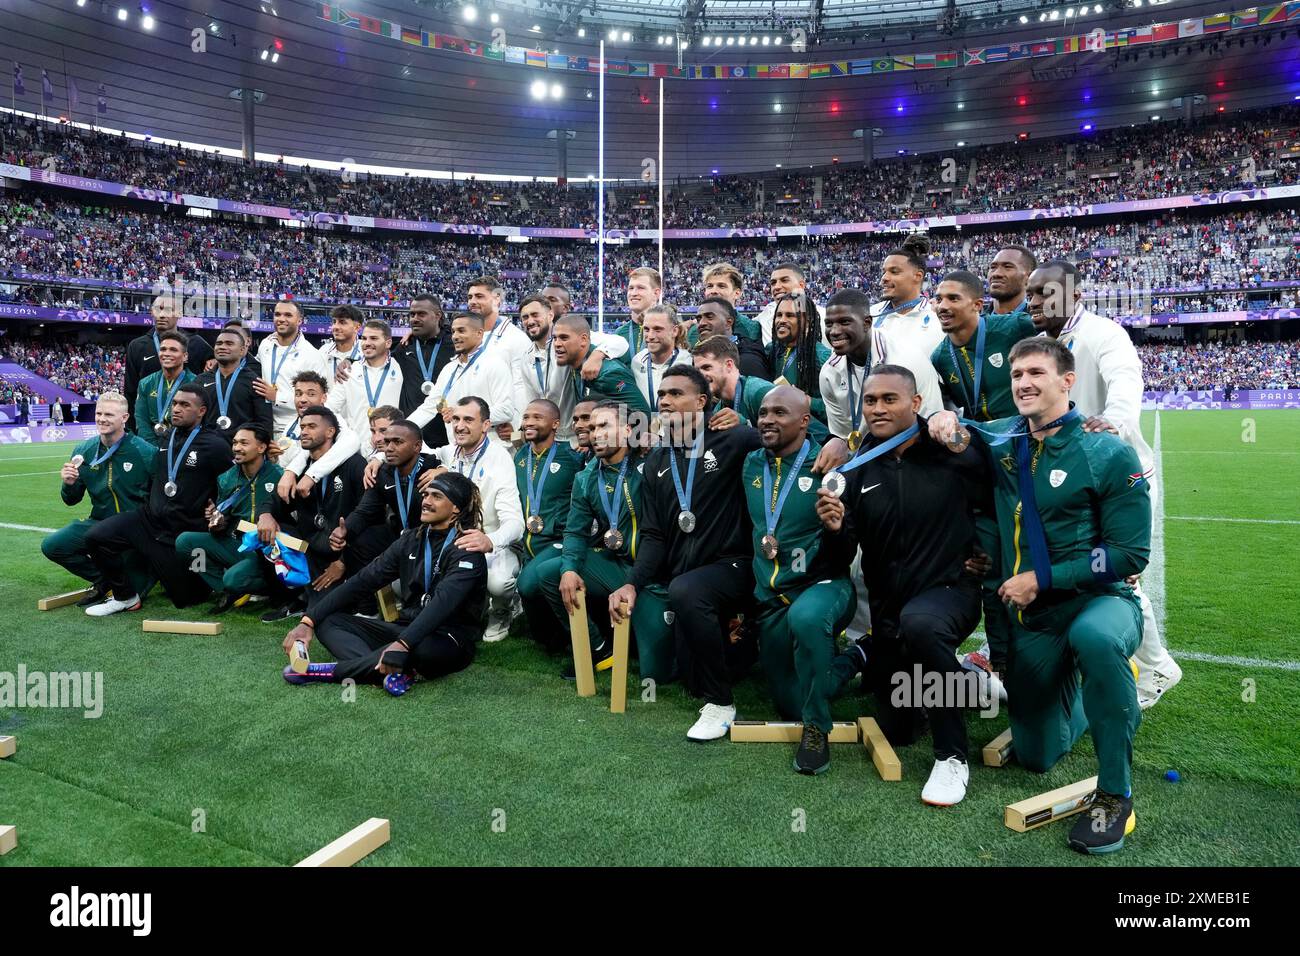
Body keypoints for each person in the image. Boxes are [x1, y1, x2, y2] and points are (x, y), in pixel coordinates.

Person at [929, 337, 1151, 854]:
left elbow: (1128, 555)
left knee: (1096, 640)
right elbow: (955, 434)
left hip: (1101, 602)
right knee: (1034, 754)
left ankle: (1115, 794)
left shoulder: (1107, 451)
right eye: (1016, 375)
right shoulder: (1003, 441)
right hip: (1037, 621)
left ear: (1066, 381)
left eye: (1036, 374)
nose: (1023, 383)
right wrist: (941, 420)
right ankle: (1107, 699)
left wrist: (1042, 578)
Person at [817, 367, 988, 802]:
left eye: (890, 399)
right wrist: (836, 529)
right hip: (891, 616)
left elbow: (997, 497)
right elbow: (839, 560)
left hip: (950, 594)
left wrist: (988, 553)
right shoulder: (856, 468)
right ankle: (964, 682)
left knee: (924, 627)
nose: (877, 408)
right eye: (870, 401)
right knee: (899, 729)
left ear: (915, 403)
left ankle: (952, 757)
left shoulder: (948, 448)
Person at [1028, 260, 1180, 709]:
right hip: (1067, 481)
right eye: (1032, 294)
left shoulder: (1103, 333)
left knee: (1115, 574)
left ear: (1074, 294)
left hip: (1114, 479)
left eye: (1044, 294)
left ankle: (1156, 667)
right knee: (1077, 570)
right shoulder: (1042, 344)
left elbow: (1125, 382)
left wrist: (1112, 421)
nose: (1034, 302)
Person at [611, 365, 762, 741]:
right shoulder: (657, 462)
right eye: (662, 394)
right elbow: (653, 535)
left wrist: (748, 420)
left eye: (676, 394)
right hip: (685, 575)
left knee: (688, 592)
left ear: (702, 401)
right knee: (685, 677)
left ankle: (721, 704)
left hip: (734, 564)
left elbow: (789, 437)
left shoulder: (735, 439)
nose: (665, 400)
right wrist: (632, 584)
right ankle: (726, 661)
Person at [280, 473, 488, 697]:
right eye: (426, 494)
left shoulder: (468, 549)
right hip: (404, 628)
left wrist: (403, 644)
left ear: (456, 508)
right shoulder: (411, 539)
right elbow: (364, 580)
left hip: (447, 637)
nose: (426, 501)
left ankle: (329, 671)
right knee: (328, 621)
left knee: (422, 651)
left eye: (436, 496)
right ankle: (385, 670)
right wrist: (308, 621)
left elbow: (442, 604)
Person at [744, 385, 854, 775]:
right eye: (763, 413)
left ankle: (816, 729)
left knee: (806, 620)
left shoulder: (830, 467)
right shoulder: (750, 463)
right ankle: (852, 661)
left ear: (806, 421)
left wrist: (841, 440)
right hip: (771, 596)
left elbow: (846, 548)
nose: (768, 420)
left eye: (779, 413)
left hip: (823, 586)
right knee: (790, 701)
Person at [84, 384, 230, 614]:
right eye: (174, 404)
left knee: (188, 598)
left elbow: (231, 482)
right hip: (150, 522)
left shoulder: (215, 445)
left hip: (186, 533)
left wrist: (219, 508)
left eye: (185, 405)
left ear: (201, 411)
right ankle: (125, 596)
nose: (177, 409)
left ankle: (183, 575)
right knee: (96, 537)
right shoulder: (168, 437)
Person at [540, 400, 659, 677]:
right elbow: (575, 530)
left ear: (628, 430)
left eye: (604, 425)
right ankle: (598, 648)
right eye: (592, 428)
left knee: (657, 672)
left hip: (655, 572)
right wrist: (569, 568)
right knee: (550, 573)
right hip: (616, 564)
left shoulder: (652, 463)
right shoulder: (586, 476)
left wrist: (657, 439)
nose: (595, 434)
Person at [41, 391, 156, 607]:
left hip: (133, 530)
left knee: (136, 590)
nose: (102, 419)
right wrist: (68, 484)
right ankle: (105, 579)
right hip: (99, 525)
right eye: (99, 413)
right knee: (53, 545)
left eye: (109, 415)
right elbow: (71, 500)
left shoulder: (145, 451)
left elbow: (159, 499)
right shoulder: (83, 450)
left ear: (124, 418)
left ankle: (132, 573)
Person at [262, 405, 369, 623]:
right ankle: (294, 597)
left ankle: (325, 597)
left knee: (325, 614)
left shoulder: (353, 464)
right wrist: (265, 514)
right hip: (310, 549)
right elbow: (273, 500)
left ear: (330, 432)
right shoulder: (298, 468)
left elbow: (369, 517)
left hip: (343, 554)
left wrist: (343, 561)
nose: (304, 431)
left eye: (312, 426)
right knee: (262, 533)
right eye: (302, 426)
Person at [434, 397, 524, 642]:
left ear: (486, 425)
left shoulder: (500, 458)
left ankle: (504, 609)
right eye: (456, 419)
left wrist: (490, 540)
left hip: (492, 541)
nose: (460, 426)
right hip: (455, 540)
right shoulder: (449, 453)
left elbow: (516, 524)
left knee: (498, 582)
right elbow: (413, 447)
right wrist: (377, 458)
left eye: (468, 420)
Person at [173, 424, 284, 614]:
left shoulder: (279, 476)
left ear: (261, 447)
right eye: (234, 442)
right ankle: (225, 590)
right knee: (185, 542)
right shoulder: (226, 478)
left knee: (234, 578)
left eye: (244, 443)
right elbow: (223, 519)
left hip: (266, 548)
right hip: (236, 542)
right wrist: (216, 521)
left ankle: (268, 588)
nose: (236, 447)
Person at [330, 419, 434, 614]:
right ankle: (367, 610)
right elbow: (365, 510)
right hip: (400, 534)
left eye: (398, 442)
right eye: (387, 442)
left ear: (417, 446)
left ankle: (418, 608)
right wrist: (345, 530)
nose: (389, 448)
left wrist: (442, 471)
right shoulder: (383, 473)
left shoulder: (433, 469)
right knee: (359, 541)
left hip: (428, 538)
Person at [820, 288, 942, 451]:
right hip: (864, 457)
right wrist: (839, 445)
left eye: (844, 322)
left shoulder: (907, 359)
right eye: (829, 324)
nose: (834, 331)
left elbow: (931, 418)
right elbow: (843, 435)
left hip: (913, 451)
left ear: (867, 323)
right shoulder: (829, 372)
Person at [512, 399, 586, 655]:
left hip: (557, 540)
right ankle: (550, 637)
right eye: (526, 417)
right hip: (527, 540)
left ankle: (576, 640)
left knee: (528, 584)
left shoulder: (572, 457)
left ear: (555, 424)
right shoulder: (521, 455)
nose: (529, 422)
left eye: (537, 417)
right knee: (531, 589)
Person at [514, 293, 628, 442]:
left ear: (550, 315)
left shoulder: (569, 339)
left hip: (579, 435)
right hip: (551, 437)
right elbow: (533, 402)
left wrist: (597, 355)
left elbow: (620, 343)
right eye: (525, 317)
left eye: (535, 315)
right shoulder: (526, 358)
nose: (530, 321)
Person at [930, 270, 1036, 422]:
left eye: (953, 299)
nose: (942, 306)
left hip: (1026, 434)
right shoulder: (940, 357)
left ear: (977, 305)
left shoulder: (1014, 327)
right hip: (983, 438)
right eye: (939, 299)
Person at [409, 312, 517, 443]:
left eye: (461, 331)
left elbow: (506, 410)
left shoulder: (495, 364)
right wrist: (403, 428)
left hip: (489, 448)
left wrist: (460, 414)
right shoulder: (449, 369)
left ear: (479, 333)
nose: (455, 336)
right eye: (453, 331)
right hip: (457, 450)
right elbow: (430, 406)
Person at [123, 293, 213, 424]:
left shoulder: (196, 343)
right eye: (158, 309)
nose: (162, 315)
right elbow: (130, 392)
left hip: (188, 425)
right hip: (149, 425)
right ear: (151, 312)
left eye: (169, 309)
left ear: (180, 313)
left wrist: (213, 359)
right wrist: (131, 428)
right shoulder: (137, 346)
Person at [551, 314, 652, 430]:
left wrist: (611, 438)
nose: (557, 344)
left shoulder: (608, 374)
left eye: (564, 338)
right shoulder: (578, 363)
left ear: (583, 340)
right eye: (555, 338)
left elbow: (642, 416)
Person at [274, 371, 362, 493]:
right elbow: (284, 468)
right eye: (298, 394)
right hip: (296, 495)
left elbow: (352, 441)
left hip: (331, 491)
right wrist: (274, 461)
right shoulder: (290, 427)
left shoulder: (334, 421)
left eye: (311, 394)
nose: (303, 399)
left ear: (324, 398)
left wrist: (305, 473)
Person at [327, 319, 405, 455]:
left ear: (388, 343)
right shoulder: (348, 371)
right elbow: (330, 409)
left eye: (374, 338)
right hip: (356, 449)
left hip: (390, 449)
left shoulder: (401, 367)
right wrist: (345, 431)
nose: (367, 343)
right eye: (364, 338)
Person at [254, 298, 327, 440]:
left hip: (295, 427)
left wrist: (277, 397)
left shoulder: (311, 355)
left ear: (300, 320)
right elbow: (252, 365)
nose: (281, 319)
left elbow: (320, 401)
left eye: (288, 315)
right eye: (277, 314)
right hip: (265, 424)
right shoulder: (266, 345)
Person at [390, 294, 454, 448]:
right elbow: (378, 362)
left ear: (438, 315)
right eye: (412, 314)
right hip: (414, 436)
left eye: (421, 314)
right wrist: (349, 361)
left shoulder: (454, 344)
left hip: (448, 435)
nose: (414, 319)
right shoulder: (404, 346)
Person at [195, 326, 272, 446]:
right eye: (219, 343)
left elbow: (264, 422)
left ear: (242, 350)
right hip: (205, 447)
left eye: (229, 343)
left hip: (241, 450)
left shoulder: (255, 382)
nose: (222, 347)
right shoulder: (200, 380)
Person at [872, 234, 944, 358]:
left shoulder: (937, 321)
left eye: (894, 272)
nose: (884, 278)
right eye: (884, 271)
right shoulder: (869, 315)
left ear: (918, 276)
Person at [768, 292, 831, 418]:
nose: (782, 320)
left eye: (790, 315)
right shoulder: (772, 350)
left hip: (811, 433)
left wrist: (807, 401)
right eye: (779, 315)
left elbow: (839, 408)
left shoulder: (822, 357)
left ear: (807, 322)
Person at [133, 331, 196, 447]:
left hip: (183, 445)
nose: (166, 353)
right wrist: (152, 447)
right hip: (151, 445)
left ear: (185, 356)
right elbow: (141, 420)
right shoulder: (146, 383)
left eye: (173, 350)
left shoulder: (196, 383)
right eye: (163, 349)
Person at [751, 261, 825, 347]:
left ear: (801, 285)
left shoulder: (824, 317)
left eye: (784, 280)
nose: (777, 287)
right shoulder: (767, 313)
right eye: (773, 283)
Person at [695, 298, 771, 380]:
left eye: (709, 317)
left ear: (729, 322)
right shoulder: (698, 360)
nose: (701, 323)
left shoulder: (747, 362)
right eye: (699, 319)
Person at [701, 262, 763, 342]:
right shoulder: (694, 331)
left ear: (737, 293)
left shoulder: (751, 329)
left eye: (721, 286)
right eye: (709, 286)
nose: (714, 291)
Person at [612, 266, 663, 356]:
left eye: (640, 288)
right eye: (631, 288)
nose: (634, 293)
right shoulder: (619, 334)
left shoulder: (668, 331)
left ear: (656, 293)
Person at [986, 244, 1036, 319]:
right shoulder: (973, 326)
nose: (996, 274)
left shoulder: (1041, 325)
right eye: (993, 267)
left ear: (1029, 277)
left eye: (1007, 267)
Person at [318, 304, 364, 381]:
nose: (335, 327)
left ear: (357, 327)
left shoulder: (367, 351)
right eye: (334, 322)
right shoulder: (324, 351)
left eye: (342, 322)